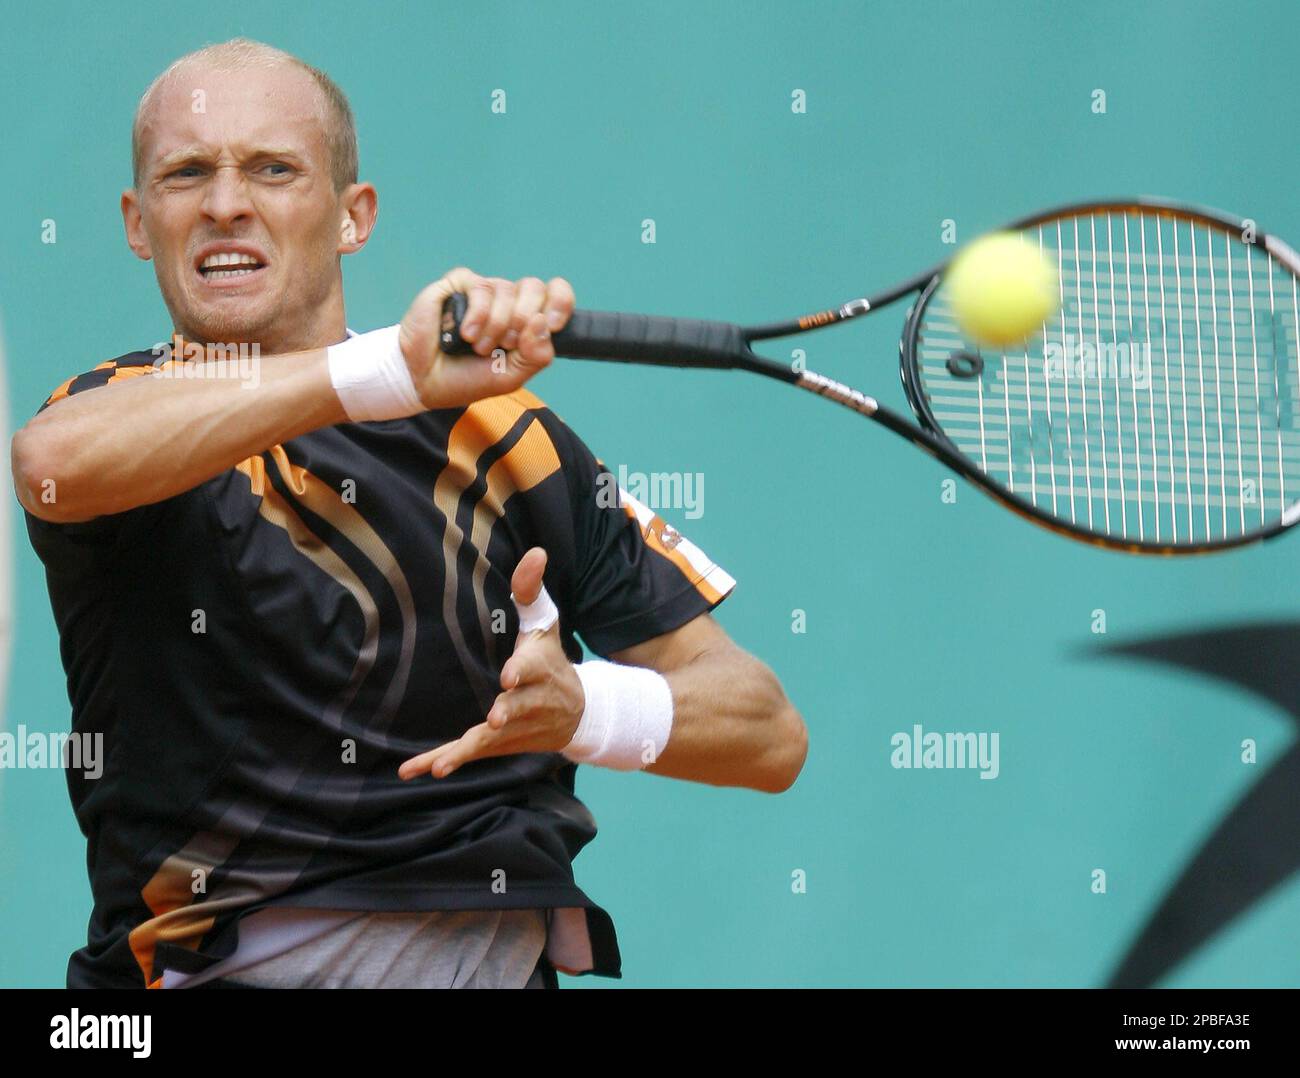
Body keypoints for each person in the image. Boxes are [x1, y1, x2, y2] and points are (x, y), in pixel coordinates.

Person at [12, 38, 807, 989]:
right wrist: (385, 370)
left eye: (273, 168)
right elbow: (50, 466)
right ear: (139, 224)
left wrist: (581, 707)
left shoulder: (509, 440)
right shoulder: (118, 414)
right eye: (187, 174)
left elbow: (767, 732)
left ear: (355, 217)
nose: (226, 203)